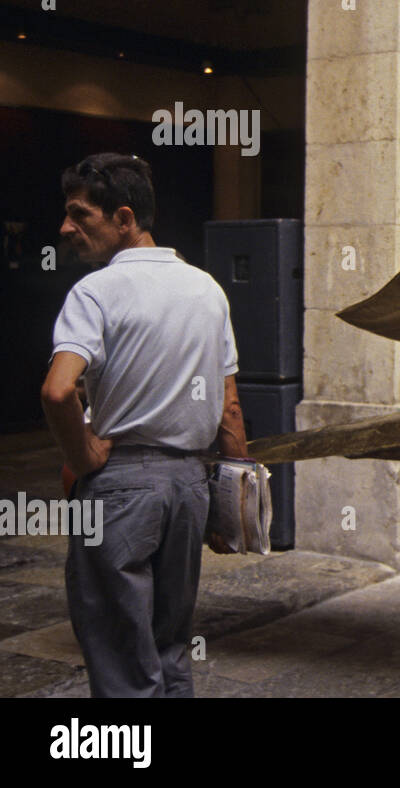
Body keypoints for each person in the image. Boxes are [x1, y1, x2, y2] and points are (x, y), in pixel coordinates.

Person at [40, 153, 248, 697]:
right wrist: (235, 503)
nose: (66, 228)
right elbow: (228, 407)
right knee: (170, 649)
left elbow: (59, 389)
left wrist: (84, 456)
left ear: (124, 218)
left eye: (80, 215)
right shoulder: (207, 289)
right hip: (188, 488)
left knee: (120, 658)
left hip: (121, 489)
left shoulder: (94, 292)